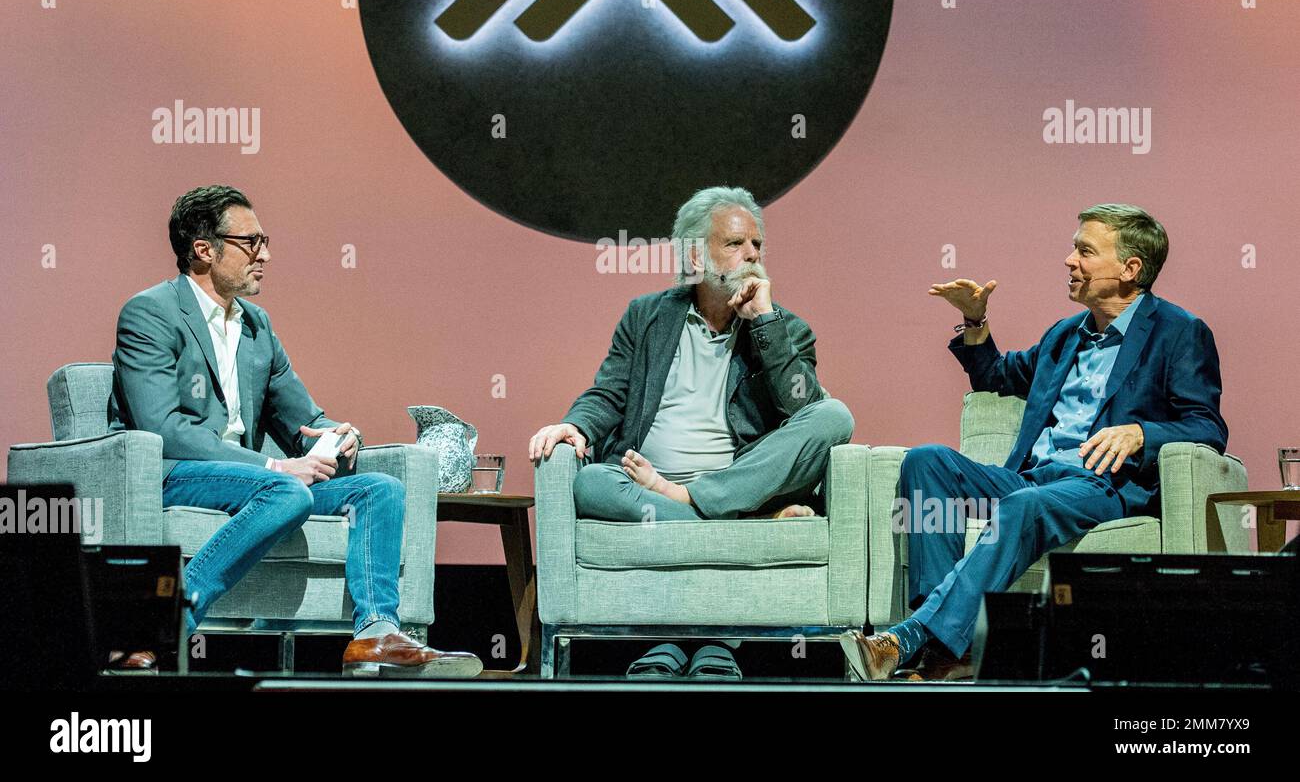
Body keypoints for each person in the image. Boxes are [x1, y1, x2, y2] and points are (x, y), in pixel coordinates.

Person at [841, 203, 1227, 681]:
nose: (1070, 260)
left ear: (1130, 269)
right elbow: (996, 376)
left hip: (1100, 485)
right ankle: (945, 651)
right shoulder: (1066, 336)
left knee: (1024, 505)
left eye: (1085, 251)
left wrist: (1141, 432)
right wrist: (975, 320)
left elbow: (1207, 426)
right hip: (1029, 478)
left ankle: (908, 639)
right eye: (1073, 248)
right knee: (926, 463)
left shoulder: (1179, 332)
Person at [107, 185, 481, 677]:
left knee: (381, 489)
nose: (265, 254)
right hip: (175, 473)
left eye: (266, 240)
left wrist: (335, 436)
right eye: (251, 242)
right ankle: (162, 624)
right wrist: (274, 465)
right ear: (203, 250)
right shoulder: (150, 313)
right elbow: (164, 430)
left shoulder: (257, 326)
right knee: (286, 490)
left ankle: (374, 636)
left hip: (253, 482)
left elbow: (300, 419)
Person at [529, 185, 855, 678]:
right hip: (646, 481)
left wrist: (764, 323)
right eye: (735, 244)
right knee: (588, 481)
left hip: (740, 480)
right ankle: (742, 535)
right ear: (696, 255)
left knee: (836, 416)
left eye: (757, 246)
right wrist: (574, 425)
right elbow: (610, 392)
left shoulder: (787, 328)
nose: (751, 255)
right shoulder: (647, 316)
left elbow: (800, 405)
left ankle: (673, 616)